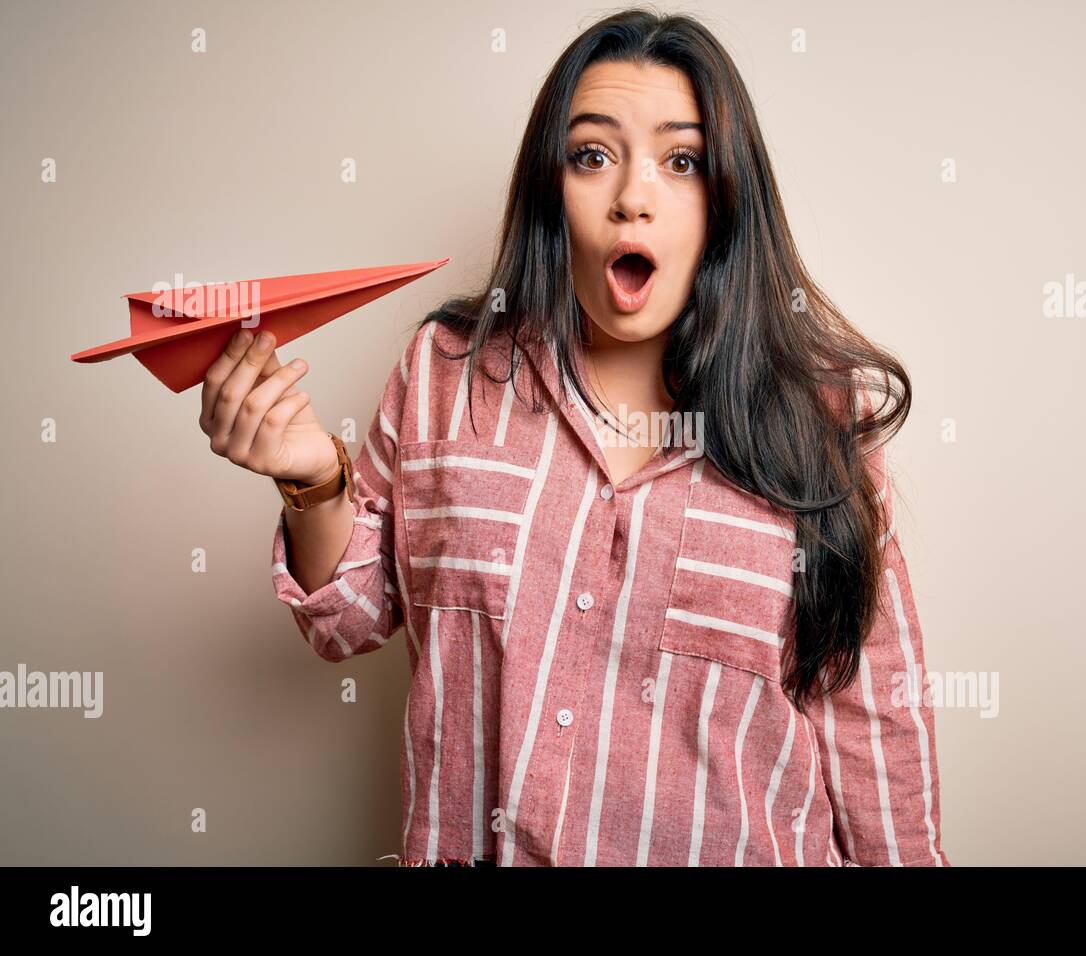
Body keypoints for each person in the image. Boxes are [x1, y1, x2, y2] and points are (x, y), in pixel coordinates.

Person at [198, 8, 950, 867]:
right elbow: (350, 620)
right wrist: (312, 481)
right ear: (552, 188)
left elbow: (870, 718)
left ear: (726, 199)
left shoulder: (818, 415)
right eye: (592, 155)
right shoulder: (448, 374)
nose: (633, 195)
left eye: (682, 161)